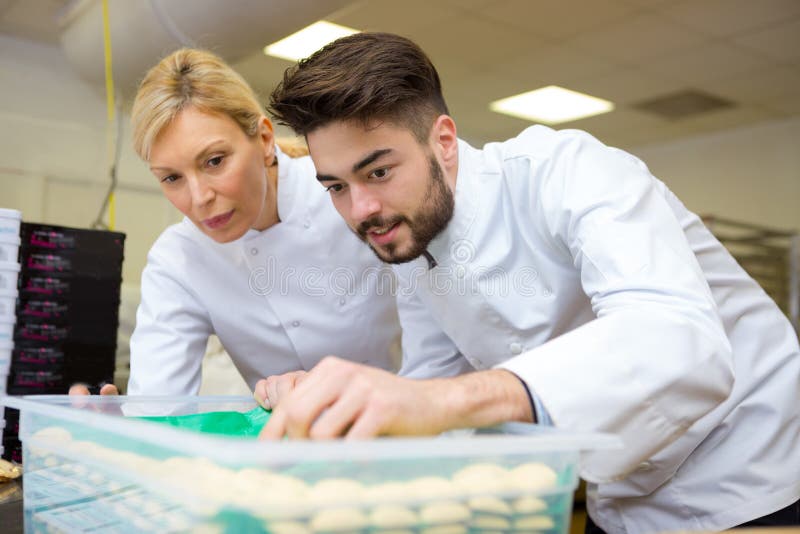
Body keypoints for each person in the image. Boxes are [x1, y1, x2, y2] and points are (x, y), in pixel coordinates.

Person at [260, 32, 800, 532]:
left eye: (378, 172)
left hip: (750, 475)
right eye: (335, 187)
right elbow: (430, 387)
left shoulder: (569, 171)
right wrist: (339, 411)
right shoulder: (409, 243)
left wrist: (449, 402)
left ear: (443, 140)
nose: (363, 210)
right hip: (618, 492)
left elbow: (678, 341)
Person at [71, 47, 412, 398]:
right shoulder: (179, 259)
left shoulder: (349, 196)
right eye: (172, 178)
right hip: (285, 445)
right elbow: (159, 406)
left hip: (410, 432)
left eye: (214, 161)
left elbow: (438, 343)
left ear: (264, 139)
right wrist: (116, 431)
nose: (200, 196)